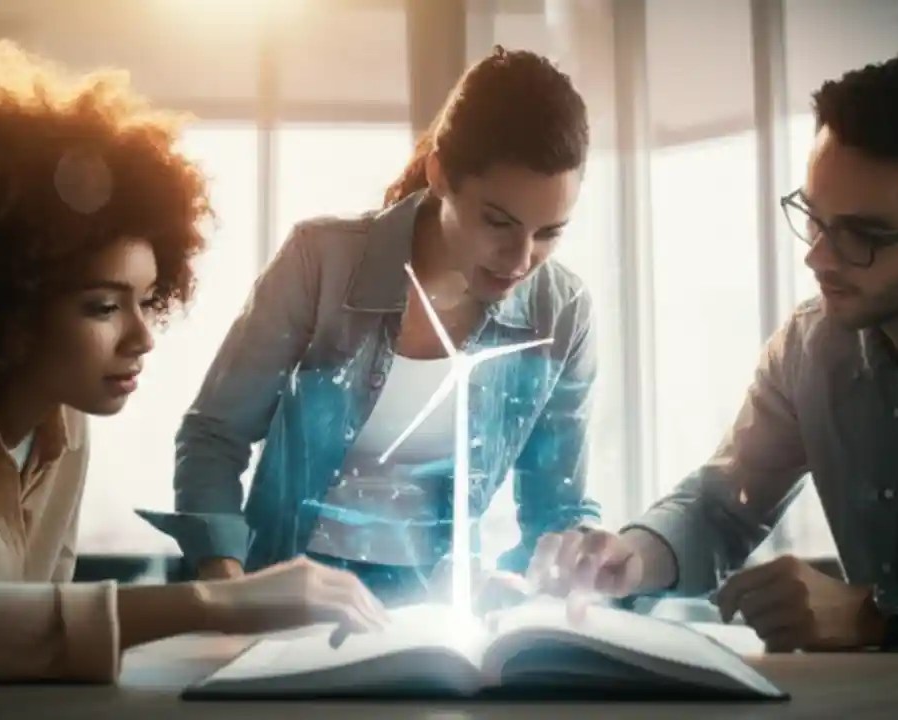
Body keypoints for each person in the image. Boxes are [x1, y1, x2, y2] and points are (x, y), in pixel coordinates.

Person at [0, 42, 386, 684]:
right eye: (102, 306)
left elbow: (29, 647)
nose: (143, 336)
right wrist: (214, 599)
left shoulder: (63, 422)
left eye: (147, 300)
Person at [529, 46, 898, 654]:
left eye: (864, 236)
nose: (818, 256)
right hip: (896, 697)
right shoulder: (811, 347)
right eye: (816, 217)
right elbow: (724, 506)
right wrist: (631, 555)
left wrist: (880, 614)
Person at [147, 47, 600, 606]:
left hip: (444, 616)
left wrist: (558, 576)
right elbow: (214, 436)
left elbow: (557, 510)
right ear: (440, 173)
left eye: (550, 232)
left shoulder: (563, 312)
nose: (520, 259)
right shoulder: (321, 262)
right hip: (288, 595)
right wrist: (231, 593)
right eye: (498, 222)